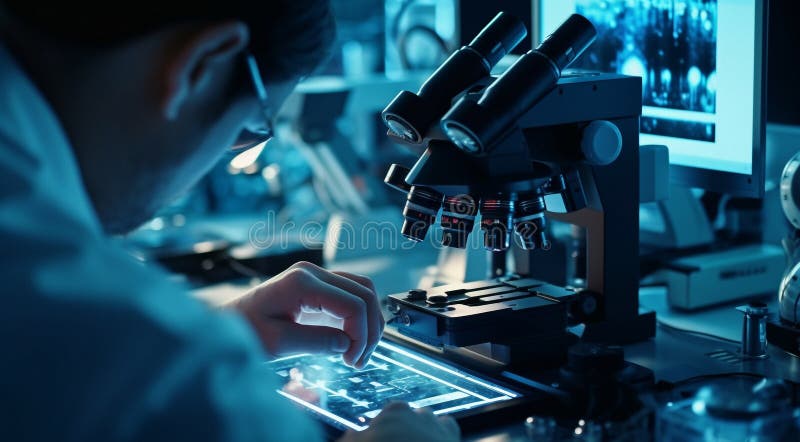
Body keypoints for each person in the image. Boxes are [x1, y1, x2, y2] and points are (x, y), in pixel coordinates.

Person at [0, 1, 460, 441]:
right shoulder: (143, 352)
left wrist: (224, 330)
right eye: (254, 126)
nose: (229, 154)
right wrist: (196, 355)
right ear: (202, 67)